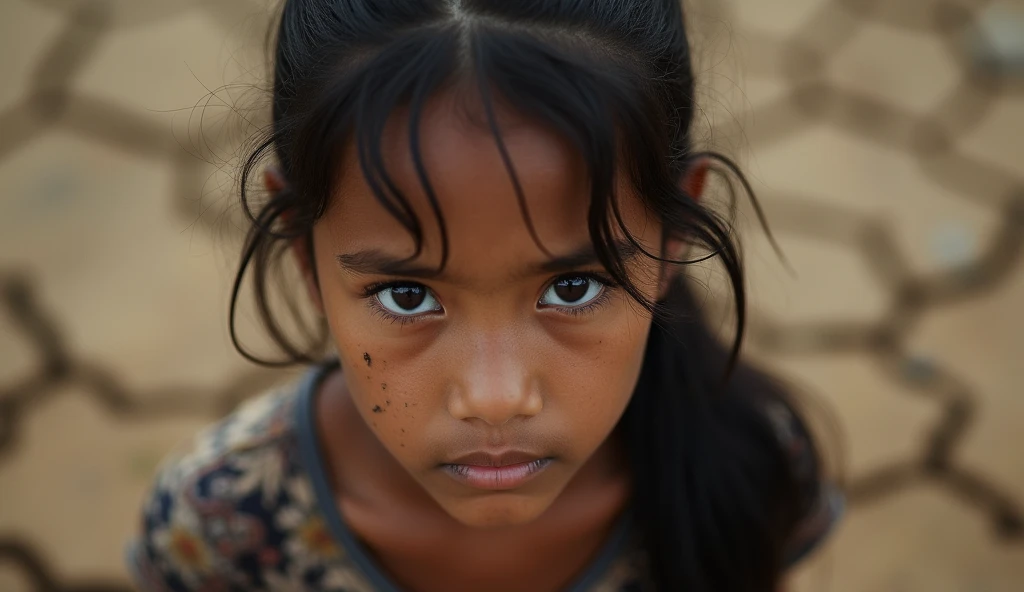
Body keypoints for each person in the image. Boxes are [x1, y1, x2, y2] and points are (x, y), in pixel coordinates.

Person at [126, 0, 843, 590]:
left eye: (573, 286)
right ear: (301, 250)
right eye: (407, 295)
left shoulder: (750, 466)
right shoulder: (219, 529)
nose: (495, 398)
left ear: (672, 237)